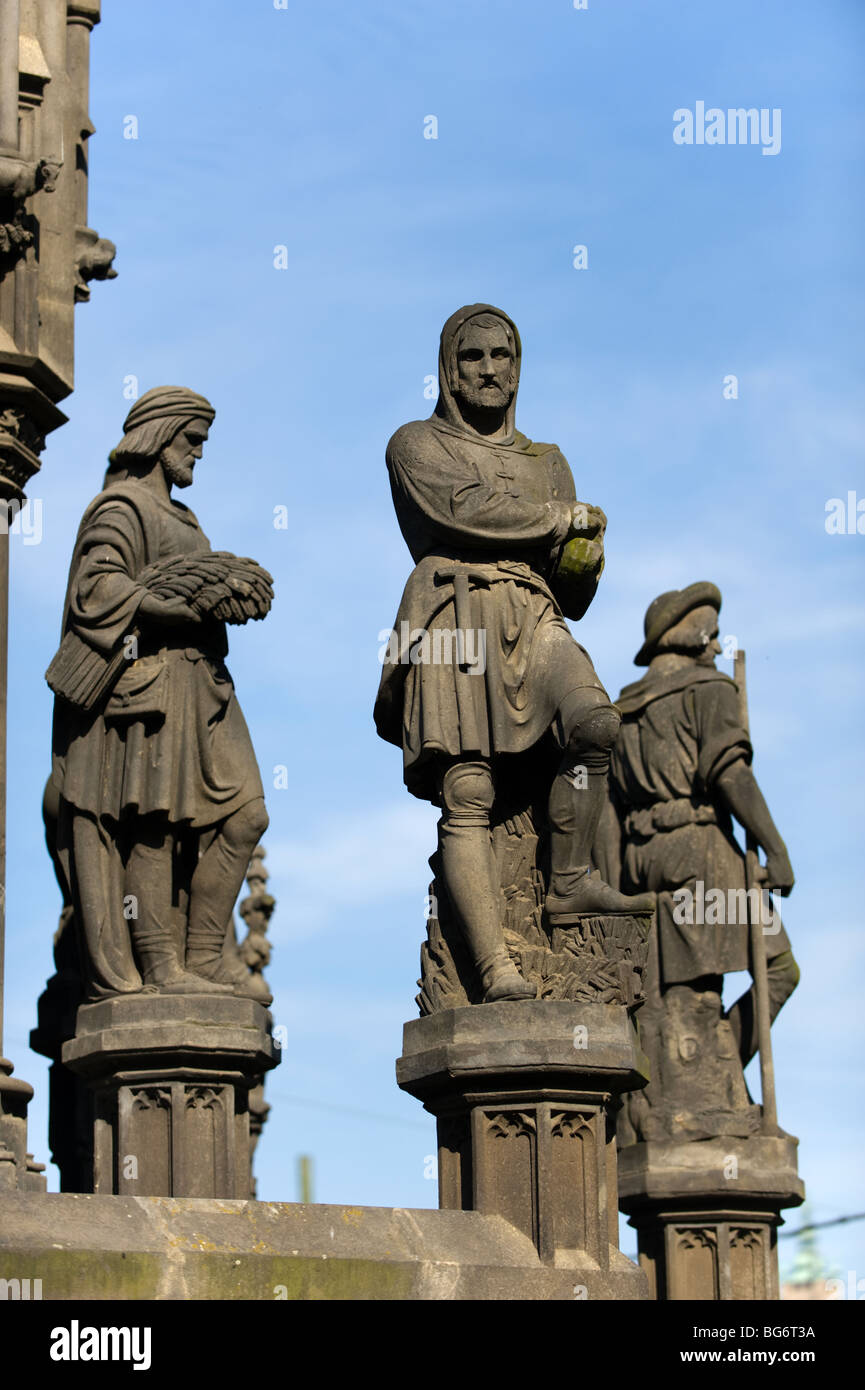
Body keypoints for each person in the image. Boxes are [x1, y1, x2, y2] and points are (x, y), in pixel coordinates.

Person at [375, 304, 652, 1004]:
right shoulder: (415, 443)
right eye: (473, 357)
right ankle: (495, 965)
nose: (490, 369)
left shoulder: (546, 461)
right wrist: (559, 521)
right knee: (467, 790)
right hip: (454, 612)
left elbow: (572, 589)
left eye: (503, 356)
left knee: (596, 725)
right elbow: (458, 513)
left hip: (533, 612)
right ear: (448, 368)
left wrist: (586, 555)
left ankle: (570, 881)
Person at [49, 386, 269, 1001]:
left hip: (205, 688)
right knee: (154, 827)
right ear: (157, 436)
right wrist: (168, 606)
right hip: (148, 689)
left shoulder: (185, 518)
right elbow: (94, 594)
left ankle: (204, 953)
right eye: (191, 440)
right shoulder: (119, 508)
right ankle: (159, 960)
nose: (198, 453)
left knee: (248, 813)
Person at [595, 582, 798, 1068]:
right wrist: (776, 850)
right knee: (778, 968)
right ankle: (720, 1070)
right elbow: (731, 774)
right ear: (692, 639)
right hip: (701, 851)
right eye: (711, 636)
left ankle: (689, 1086)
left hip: (643, 861)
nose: (714, 646)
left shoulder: (621, 711)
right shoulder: (709, 690)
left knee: (675, 992)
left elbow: (606, 814)